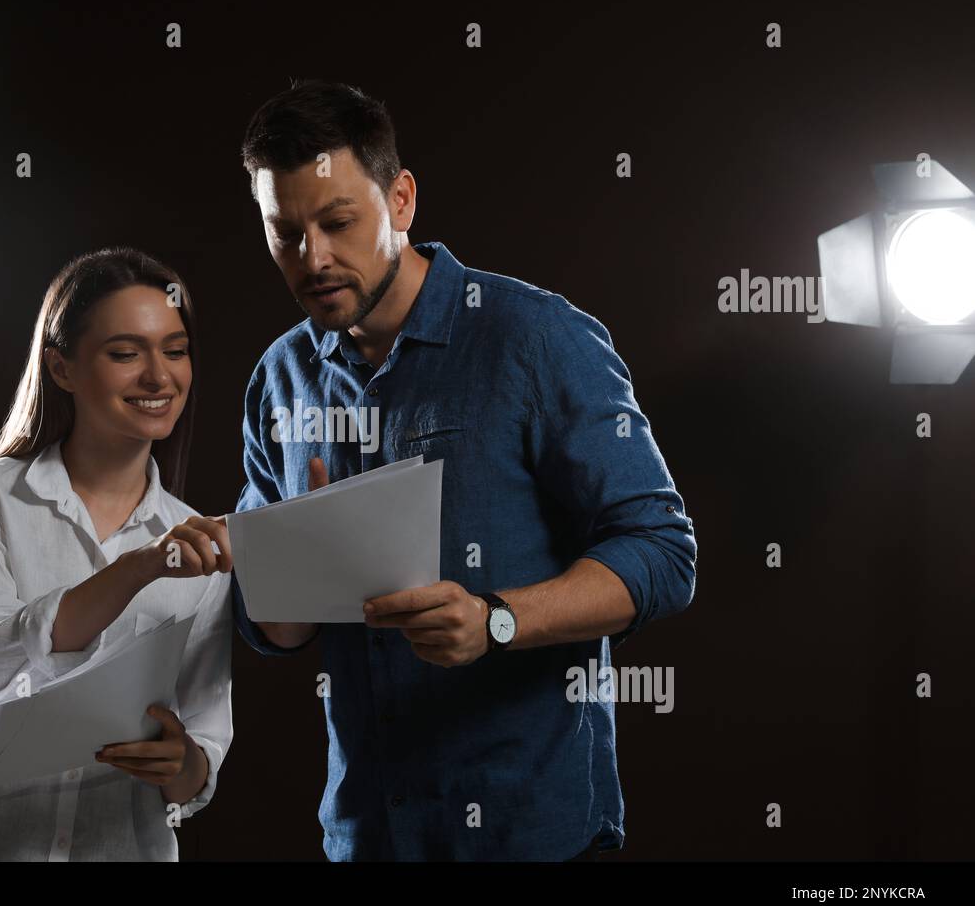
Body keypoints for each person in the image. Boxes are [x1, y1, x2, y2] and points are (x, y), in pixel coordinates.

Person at [232, 80, 698, 861]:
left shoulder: (536, 337)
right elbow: (273, 626)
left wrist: (495, 621)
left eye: (338, 223)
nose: (315, 259)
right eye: (286, 234)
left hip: (532, 838)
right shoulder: (278, 379)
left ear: (401, 200)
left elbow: (663, 553)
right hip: (367, 839)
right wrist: (298, 565)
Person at [0, 247, 233, 861]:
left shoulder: (199, 545)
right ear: (61, 367)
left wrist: (180, 762)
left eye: (175, 350)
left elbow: (203, 749)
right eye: (125, 353)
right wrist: (140, 566)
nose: (158, 377)